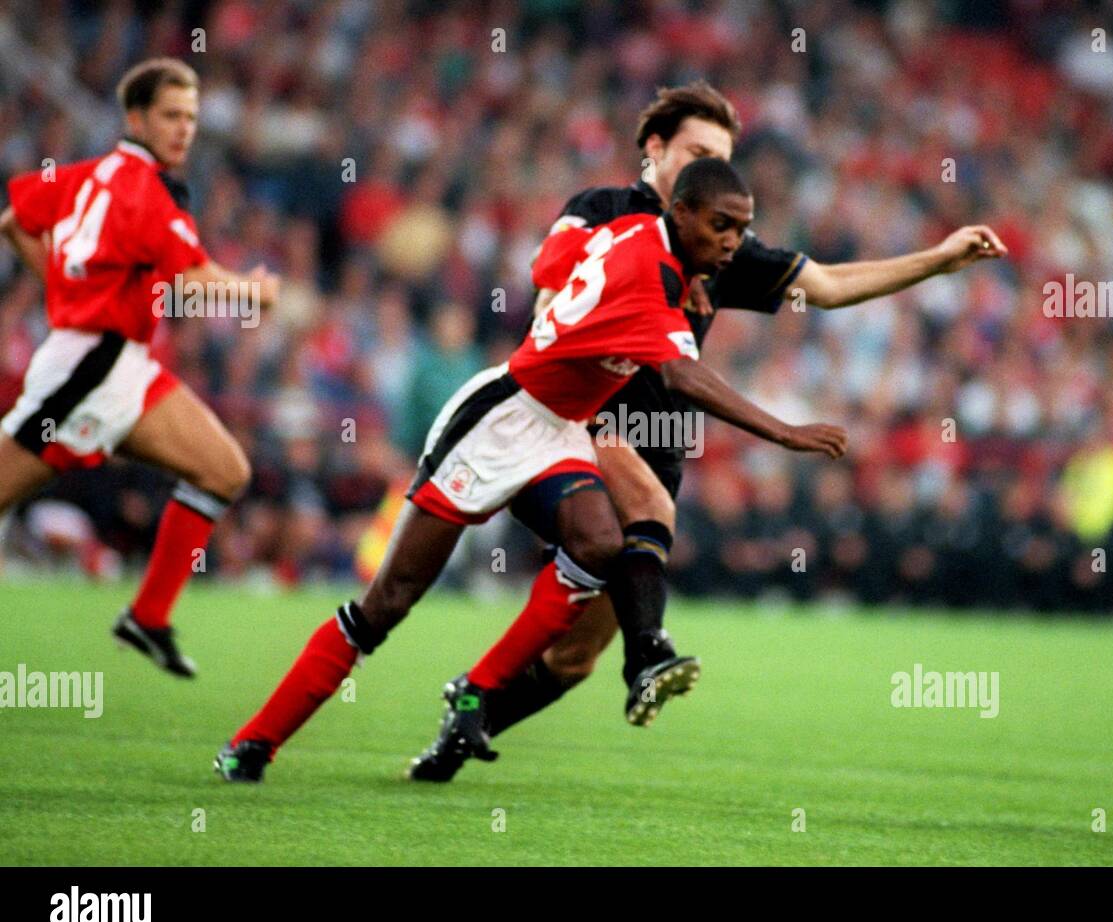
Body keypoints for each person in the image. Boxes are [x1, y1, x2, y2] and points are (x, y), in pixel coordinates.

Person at [412, 81, 1006, 782]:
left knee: (574, 658)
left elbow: (830, 286)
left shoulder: (722, 243)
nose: (709, 169)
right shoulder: (601, 213)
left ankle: (466, 724)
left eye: (721, 157)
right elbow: (550, 302)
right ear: (657, 151)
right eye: (697, 151)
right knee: (648, 520)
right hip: (583, 423)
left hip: (660, 442)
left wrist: (940, 258)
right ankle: (651, 653)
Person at [216, 158, 847, 783]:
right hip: (498, 422)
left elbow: (549, 264)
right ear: (678, 213)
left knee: (601, 541)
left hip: (561, 430)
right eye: (721, 225)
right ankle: (254, 743)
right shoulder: (648, 271)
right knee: (388, 603)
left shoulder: (637, 239)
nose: (734, 241)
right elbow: (682, 374)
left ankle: (476, 690)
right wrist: (785, 433)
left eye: (743, 227)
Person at [0, 58, 279, 676]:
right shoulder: (146, 190)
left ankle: (147, 617)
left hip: (122, 365)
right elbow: (194, 280)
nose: (184, 129)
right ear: (135, 118)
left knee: (223, 470)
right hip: (87, 370)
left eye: (192, 118)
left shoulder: (85, 175)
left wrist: (61, 293)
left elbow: (16, 223)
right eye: (171, 116)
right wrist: (254, 291)